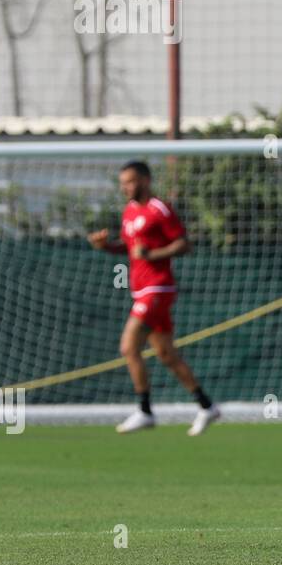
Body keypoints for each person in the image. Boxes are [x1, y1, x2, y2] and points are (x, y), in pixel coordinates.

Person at [87, 161, 219, 435]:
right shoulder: (129, 212)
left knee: (128, 347)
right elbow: (131, 249)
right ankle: (206, 406)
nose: (126, 187)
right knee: (166, 355)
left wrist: (152, 256)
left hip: (158, 288)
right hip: (141, 289)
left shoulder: (159, 209)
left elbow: (183, 244)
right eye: (123, 182)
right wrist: (106, 247)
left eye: (131, 181)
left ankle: (145, 410)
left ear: (146, 180)